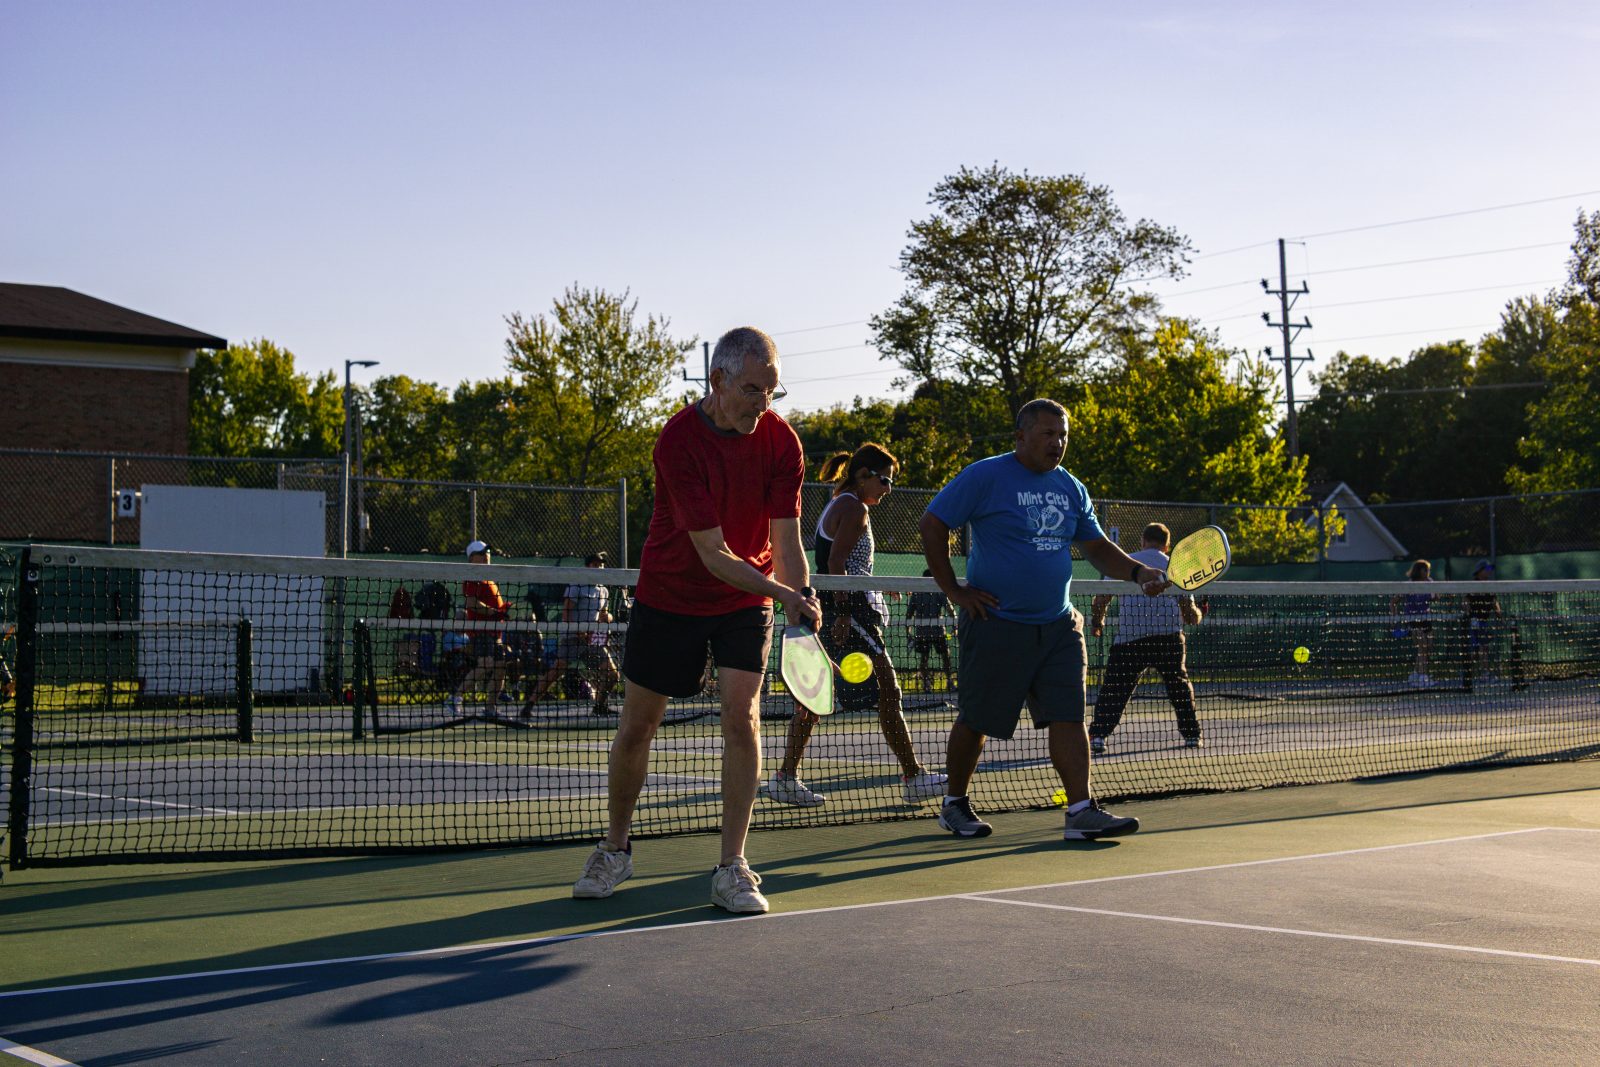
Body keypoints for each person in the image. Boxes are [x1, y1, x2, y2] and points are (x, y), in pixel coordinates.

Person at [571, 327, 821, 915]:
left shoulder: (782, 443)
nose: (764, 403)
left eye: (773, 391)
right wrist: (783, 591)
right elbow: (713, 554)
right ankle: (615, 849)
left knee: (743, 718)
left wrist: (801, 595)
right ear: (718, 382)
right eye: (754, 390)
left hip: (745, 602)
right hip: (672, 594)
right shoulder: (678, 441)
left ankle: (732, 866)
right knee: (637, 726)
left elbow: (785, 538)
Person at [918, 398, 1166, 841]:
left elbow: (1095, 547)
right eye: (1048, 433)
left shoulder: (1072, 487)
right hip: (996, 622)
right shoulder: (985, 475)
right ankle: (954, 804)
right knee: (976, 719)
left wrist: (1137, 571)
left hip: (1059, 626)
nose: (1058, 443)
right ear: (1021, 436)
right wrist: (954, 590)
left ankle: (1081, 811)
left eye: (1063, 435)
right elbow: (933, 523)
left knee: (1070, 717)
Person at [765, 444, 948, 807]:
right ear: (863, 475)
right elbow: (836, 561)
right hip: (851, 615)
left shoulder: (841, 502)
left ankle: (785, 777)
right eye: (884, 480)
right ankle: (913, 777)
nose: (888, 488)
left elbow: (848, 565)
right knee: (889, 693)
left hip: (845, 611)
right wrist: (847, 613)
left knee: (816, 697)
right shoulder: (854, 507)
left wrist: (871, 590)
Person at [1087, 523, 1206, 754]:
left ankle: (1098, 736)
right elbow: (1190, 617)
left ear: (1142, 541)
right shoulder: (1176, 567)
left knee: (1114, 689)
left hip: (1130, 640)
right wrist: (1200, 612)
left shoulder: (1124, 562)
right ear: (1167, 545)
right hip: (1169, 640)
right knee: (1179, 688)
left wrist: (1097, 622)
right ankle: (1193, 736)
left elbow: (1100, 599)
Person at [523, 552, 620, 716]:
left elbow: (605, 614)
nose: (599, 568)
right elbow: (566, 614)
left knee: (612, 674)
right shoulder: (576, 586)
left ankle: (599, 707)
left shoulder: (603, 591)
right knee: (555, 672)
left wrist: (607, 617)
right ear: (587, 567)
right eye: (595, 565)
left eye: (601, 565)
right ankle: (529, 705)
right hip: (572, 639)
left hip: (592, 641)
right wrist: (579, 632)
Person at [451, 540, 511, 714]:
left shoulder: (488, 577)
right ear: (471, 558)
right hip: (480, 631)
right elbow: (471, 603)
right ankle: (455, 697)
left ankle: (490, 708)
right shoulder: (474, 575)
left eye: (488, 553)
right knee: (487, 663)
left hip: (494, 633)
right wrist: (494, 612)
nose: (487, 556)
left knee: (500, 666)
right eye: (482, 553)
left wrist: (501, 610)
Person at [1462, 559, 1527, 691]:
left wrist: (1500, 616)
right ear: (1479, 571)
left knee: (1483, 647)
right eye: (1486, 569)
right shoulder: (1472, 585)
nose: (1489, 572)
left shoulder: (1489, 586)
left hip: (1484, 622)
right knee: (1474, 651)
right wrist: (1470, 617)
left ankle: (1484, 674)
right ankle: (1467, 674)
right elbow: (1465, 601)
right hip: (1474, 622)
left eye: (1490, 569)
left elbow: (1494, 601)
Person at [906, 569, 955, 700]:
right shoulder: (919, 594)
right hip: (927, 632)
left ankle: (947, 682)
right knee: (929, 658)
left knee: (941, 656)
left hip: (936, 630)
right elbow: (908, 615)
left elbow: (908, 616)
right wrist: (908, 633)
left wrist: (955, 623)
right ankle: (928, 684)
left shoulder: (936, 592)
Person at [1392, 559, 1435, 688]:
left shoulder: (1430, 583)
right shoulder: (1409, 585)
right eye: (1425, 570)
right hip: (1413, 620)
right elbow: (1393, 601)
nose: (1427, 572)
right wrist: (1395, 620)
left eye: (1428, 570)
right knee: (1423, 646)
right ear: (1418, 570)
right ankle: (1422, 677)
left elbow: (1435, 597)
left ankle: (1415, 675)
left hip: (1426, 619)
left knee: (1427, 648)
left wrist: (1441, 593)